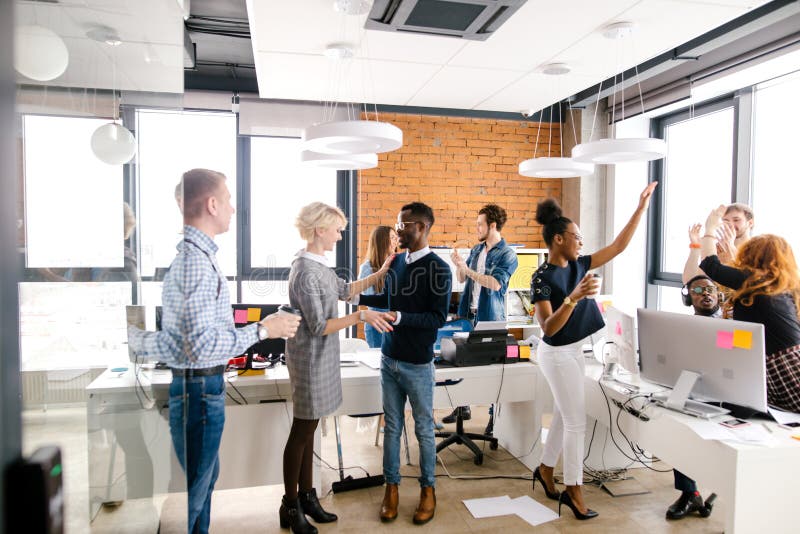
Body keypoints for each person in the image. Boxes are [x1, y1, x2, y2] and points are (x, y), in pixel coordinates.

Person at [128, 169, 301, 534]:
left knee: (206, 479)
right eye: (228, 199)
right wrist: (264, 329)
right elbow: (200, 346)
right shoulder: (195, 264)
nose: (233, 209)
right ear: (211, 204)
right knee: (199, 488)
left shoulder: (197, 258)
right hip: (199, 390)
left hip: (201, 389)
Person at [531, 181, 657, 520]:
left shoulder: (580, 264)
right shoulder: (542, 277)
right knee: (575, 422)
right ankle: (574, 489)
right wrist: (574, 298)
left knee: (563, 414)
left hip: (576, 351)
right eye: (577, 237)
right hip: (556, 353)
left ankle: (545, 468)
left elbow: (618, 246)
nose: (582, 243)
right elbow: (548, 328)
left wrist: (641, 207)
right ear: (559, 239)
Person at [282, 203, 396, 534]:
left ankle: (307, 497)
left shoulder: (319, 264)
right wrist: (360, 316)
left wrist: (381, 271)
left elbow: (345, 291)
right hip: (309, 359)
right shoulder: (304, 270)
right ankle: (290, 506)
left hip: (322, 357)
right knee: (301, 432)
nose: (340, 235)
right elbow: (319, 325)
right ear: (319, 230)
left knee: (310, 430)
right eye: (337, 229)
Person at [354, 202, 451, 525]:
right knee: (393, 428)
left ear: (421, 228)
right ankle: (391, 488)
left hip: (418, 365)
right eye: (397, 223)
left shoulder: (439, 268)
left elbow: (436, 318)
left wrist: (400, 317)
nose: (397, 229)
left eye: (404, 224)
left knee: (424, 429)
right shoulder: (394, 262)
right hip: (388, 359)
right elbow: (388, 301)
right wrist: (357, 300)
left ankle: (428, 490)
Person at [699, 206, 800, 414]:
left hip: (785, 371)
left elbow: (710, 266)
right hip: (781, 364)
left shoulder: (757, 283)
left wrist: (710, 228)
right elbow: (750, 338)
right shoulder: (777, 287)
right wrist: (714, 340)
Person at [444, 204, 518, 435]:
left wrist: (468, 269)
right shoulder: (477, 250)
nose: (476, 227)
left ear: (492, 225)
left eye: (480, 224)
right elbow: (462, 279)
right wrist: (459, 266)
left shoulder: (507, 254)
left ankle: (493, 418)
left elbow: (495, 284)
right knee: (461, 362)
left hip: (490, 317)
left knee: (493, 369)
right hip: (468, 315)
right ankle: (462, 407)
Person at [666, 274, 720, 520]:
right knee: (677, 421)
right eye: (698, 290)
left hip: (730, 393)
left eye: (710, 289)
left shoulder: (732, 322)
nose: (706, 293)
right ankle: (690, 493)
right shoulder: (684, 329)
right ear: (688, 298)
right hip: (697, 388)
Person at [683, 203, 754, 283]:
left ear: (750, 223)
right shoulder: (717, 249)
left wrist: (732, 256)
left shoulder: (759, 249)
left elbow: (752, 282)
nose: (731, 225)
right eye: (726, 221)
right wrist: (695, 248)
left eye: (736, 220)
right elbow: (691, 282)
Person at [358, 225, 399, 348]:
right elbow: (371, 301)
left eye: (396, 237)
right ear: (382, 241)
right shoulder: (367, 268)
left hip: (395, 322)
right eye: (392, 238)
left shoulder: (398, 263)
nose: (396, 241)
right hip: (377, 324)